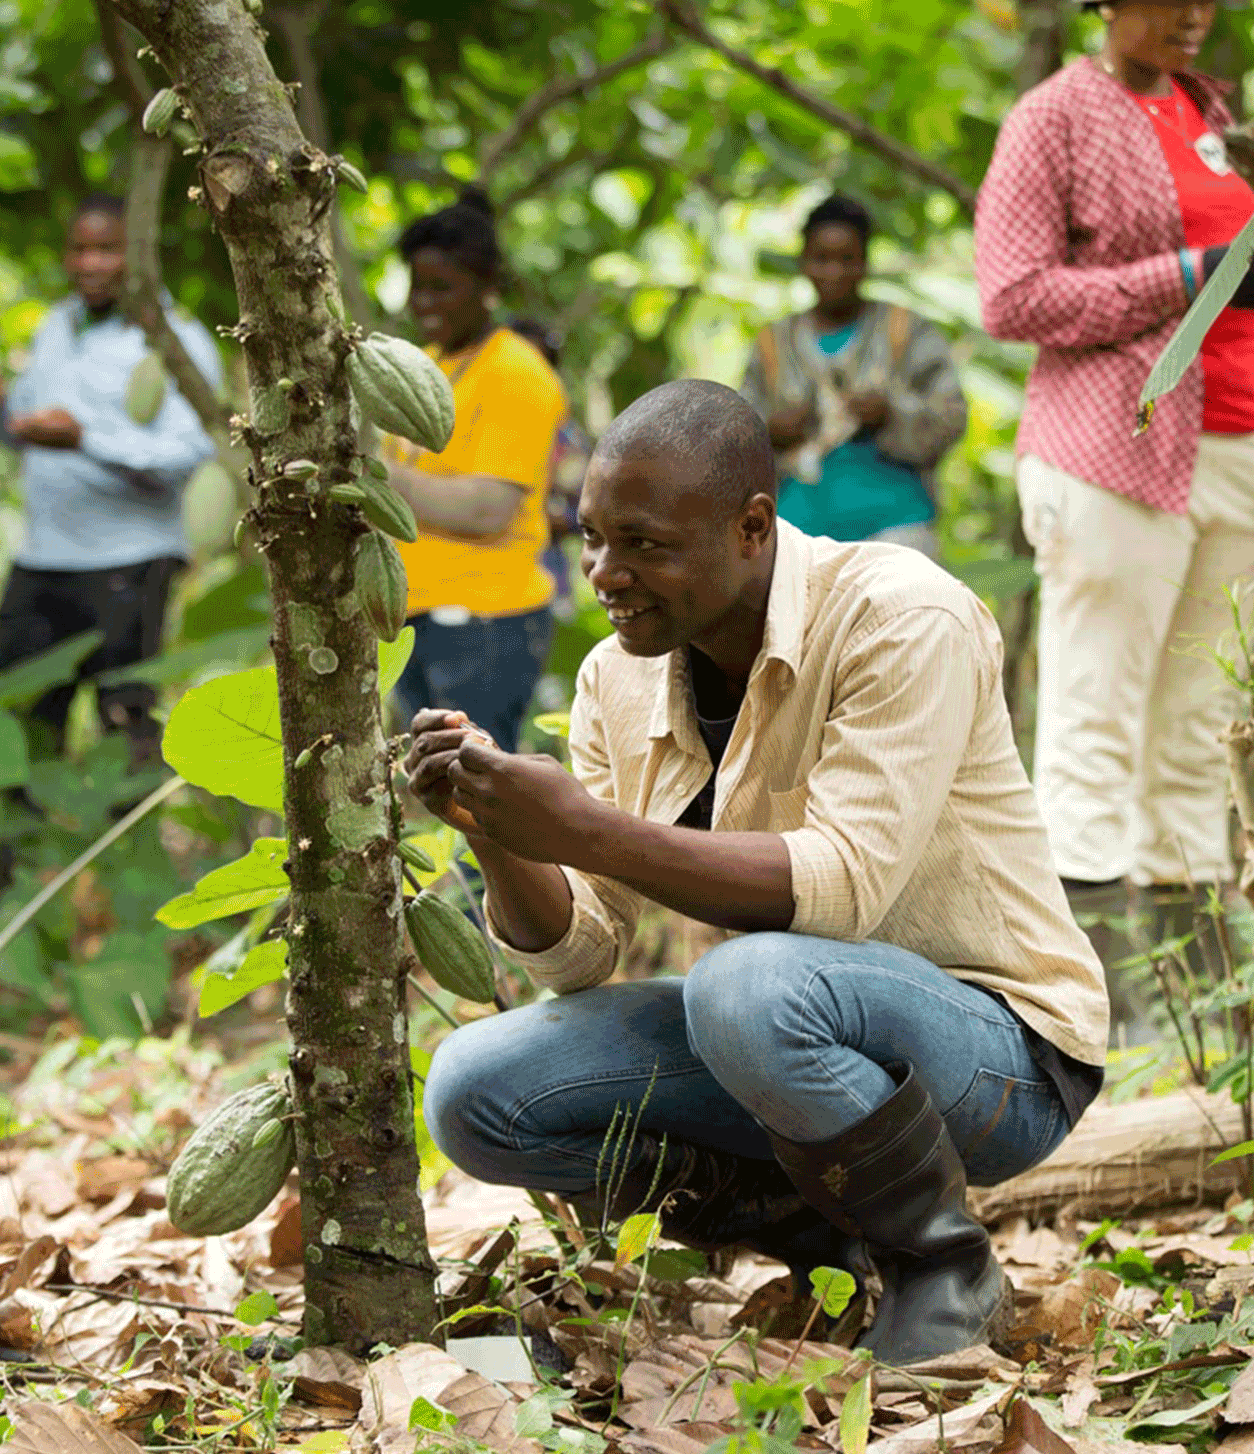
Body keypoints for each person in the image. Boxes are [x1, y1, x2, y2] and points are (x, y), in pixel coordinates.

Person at [406, 380, 1108, 1365]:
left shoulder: (902, 614)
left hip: (1002, 1055)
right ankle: (823, 1237)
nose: (607, 573)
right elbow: (580, 953)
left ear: (750, 528)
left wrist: (587, 826)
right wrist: (497, 828)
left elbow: (844, 885)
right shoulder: (619, 673)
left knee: (741, 982)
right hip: (780, 1037)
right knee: (474, 1087)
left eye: (644, 543)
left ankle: (941, 1264)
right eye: (592, 539)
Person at [975, 0, 1254, 1018]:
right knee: (1095, 727)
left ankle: (1194, 1024)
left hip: (1237, 452)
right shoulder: (1053, 117)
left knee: (1197, 733)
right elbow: (1011, 297)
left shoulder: (1211, 111)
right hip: (1115, 455)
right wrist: (1186, 276)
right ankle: (1090, 1021)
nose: (1193, 14)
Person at [0, 193, 221, 762]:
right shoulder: (54, 326)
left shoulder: (176, 340)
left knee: (124, 722)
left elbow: (190, 451)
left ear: (140, 254)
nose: (90, 263)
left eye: (107, 249)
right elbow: (23, 426)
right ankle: (28, 850)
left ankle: (128, 839)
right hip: (43, 559)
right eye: (80, 248)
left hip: (129, 565)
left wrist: (85, 441)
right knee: (20, 718)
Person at [378, 191, 567, 753]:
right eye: (417, 286)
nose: (423, 303)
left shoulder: (516, 373)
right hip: (419, 615)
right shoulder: (430, 365)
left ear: (487, 287)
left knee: (474, 787)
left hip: (489, 618)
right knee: (436, 786)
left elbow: (488, 509)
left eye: (442, 287)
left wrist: (379, 476)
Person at [740, 193, 967, 561]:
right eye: (822, 259)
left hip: (896, 527)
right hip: (797, 533)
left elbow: (952, 415)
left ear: (865, 262)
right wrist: (771, 431)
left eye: (847, 259)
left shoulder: (905, 330)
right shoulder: (773, 344)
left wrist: (892, 414)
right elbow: (736, 436)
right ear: (804, 262)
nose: (835, 272)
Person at [508, 317, 593, 618]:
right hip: (474, 587)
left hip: (546, 580)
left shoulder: (564, 437)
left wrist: (551, 518)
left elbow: (586, 512)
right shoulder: (474, 425)